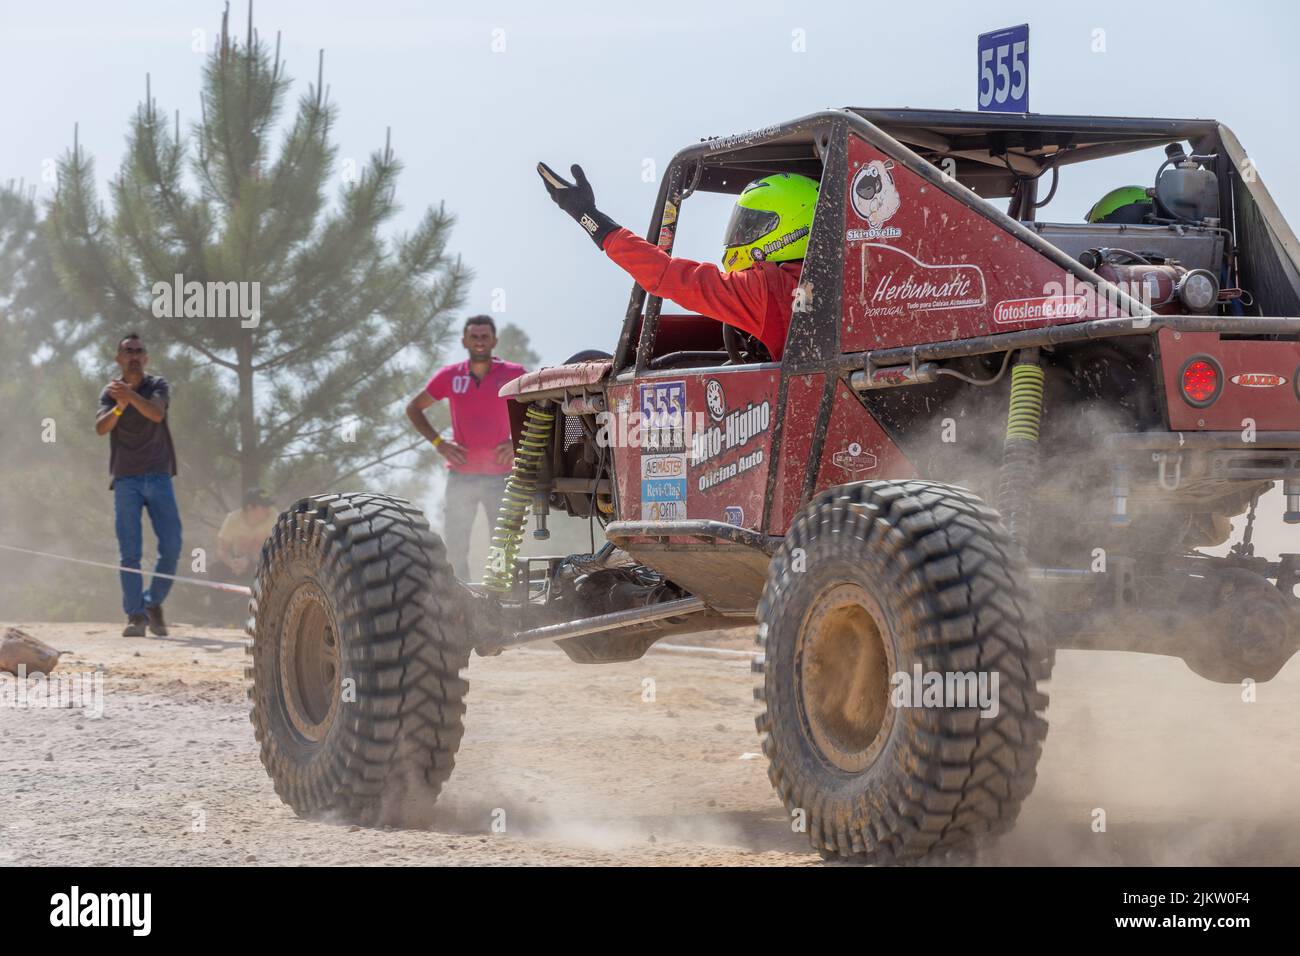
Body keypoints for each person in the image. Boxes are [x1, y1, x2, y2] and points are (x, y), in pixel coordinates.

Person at [537, 162, 819, 360]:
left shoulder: (769, 289)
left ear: (787, 228)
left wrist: (588, 217)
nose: (741, 235)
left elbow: (666, 275)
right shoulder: (843, 277)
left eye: (751, 226)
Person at [405, 315, 526, 580]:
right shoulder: (449, 376)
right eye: (474, 336)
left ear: (494, 340)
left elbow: (541, 407)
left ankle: (505, 601)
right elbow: (413, 408)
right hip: (461, 476)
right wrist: (439, 443)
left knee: (504, 546)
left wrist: (517, 442)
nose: (479, 342)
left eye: (485, 336)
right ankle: (463, 605)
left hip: (501, 477)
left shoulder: (514, 374)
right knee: (457, 547)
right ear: (464, 341)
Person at [95, 332, 181, 638]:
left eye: (138, 351)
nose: (133, 355)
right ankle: (136, 617)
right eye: (127, 351)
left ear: (146, 358)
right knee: (129, 552)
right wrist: (119, 405)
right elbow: (101, 428)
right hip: (126, 479)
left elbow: (156, 414)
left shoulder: (157, 385)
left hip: (158, 475)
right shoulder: (110, 392)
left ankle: (151, 601)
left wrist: (129, 396)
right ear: (119, 358)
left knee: (172, 546)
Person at [215, 488, 277, 582]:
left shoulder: (274, 518)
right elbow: (221, 549)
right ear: (249, 508)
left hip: (264, 563)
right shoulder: (233, 519)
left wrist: (249, 560)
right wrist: (231, 563)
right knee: (216, 570)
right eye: (264, 507)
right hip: (237, 560)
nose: (268, 509)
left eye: (268, 506)